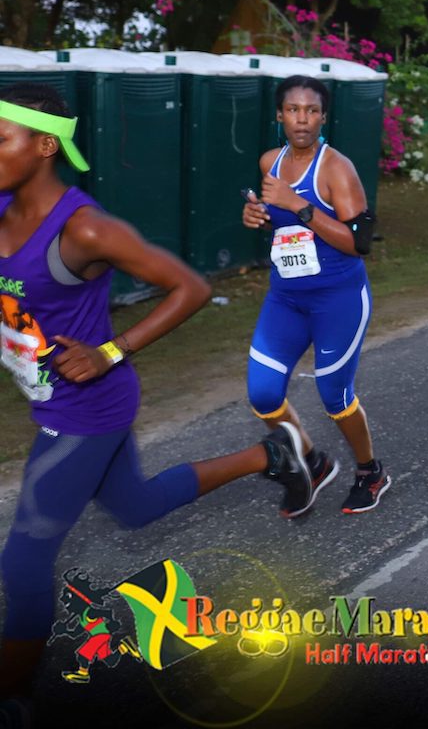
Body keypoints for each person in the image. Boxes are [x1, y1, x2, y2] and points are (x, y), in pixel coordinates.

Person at [0, 84, 311, 712]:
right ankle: (272, 455)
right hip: (53, 397)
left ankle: (12, 696)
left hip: (89, 406)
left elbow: (190, 288)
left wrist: (110, 350)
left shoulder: (85, 227)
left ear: (42, 145)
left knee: (25, 554)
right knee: (134, 507)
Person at [241, 75, 389, 514]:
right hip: (286, 298)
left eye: (310, 111)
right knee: (263, 395)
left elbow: (358, 240)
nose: (301, 119)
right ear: (279, 116)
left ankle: (370, 471)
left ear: (323, 117)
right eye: (292, 110)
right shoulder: (270, 160)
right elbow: (277, 219)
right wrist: (258, 216)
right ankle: (313, 461)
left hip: (338, 298)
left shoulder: (336, 168)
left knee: (334, 395)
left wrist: (297, 205)